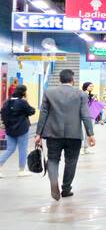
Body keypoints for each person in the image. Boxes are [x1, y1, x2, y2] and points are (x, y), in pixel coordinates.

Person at [33, 69, 96, 200]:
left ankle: (53, 182)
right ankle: (66, 189)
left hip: (53, 134)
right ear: (72, 80)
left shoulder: (49, 92)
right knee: (71, 162)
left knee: (53, 160)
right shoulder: (81, 94)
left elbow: (43, 113)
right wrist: (90, 134)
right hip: (74, 135)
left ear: (60, 80)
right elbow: (85, 115)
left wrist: (38, 133)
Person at [0, 84, 37, 177]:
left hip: (9, 130)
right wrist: (26, 101)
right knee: (22, 149)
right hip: (22, 130)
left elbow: (3, 114)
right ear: (23, 93)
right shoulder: (22, 103)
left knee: (10, 149)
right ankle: (21, 170)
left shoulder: (6, 103)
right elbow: (32, 111)